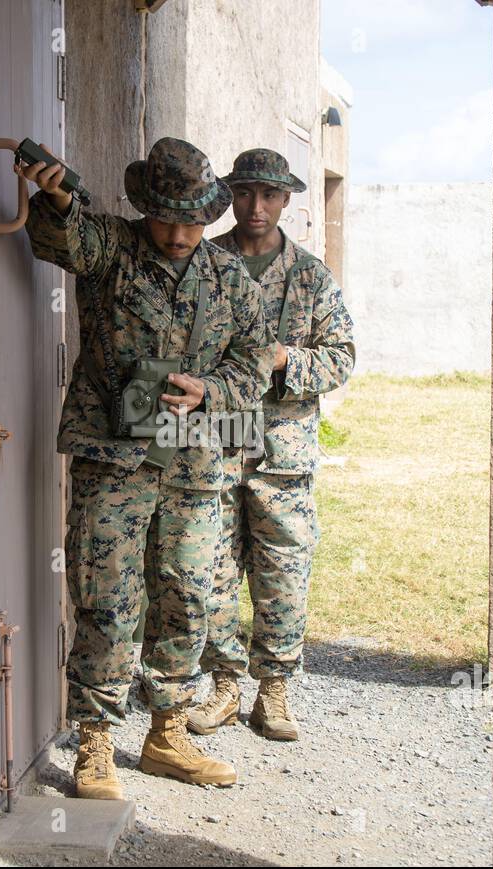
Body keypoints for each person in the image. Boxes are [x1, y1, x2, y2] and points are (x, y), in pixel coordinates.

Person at [17, 137, 273, 798]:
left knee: (186, 595)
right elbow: (63, 241)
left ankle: (168, 733)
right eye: (168, 217)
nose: (181, 233)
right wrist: (56, 198)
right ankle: (96, 742)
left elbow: (252, 361)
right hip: (115, 457)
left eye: (194, 220)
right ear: (146, 207)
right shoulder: (112, 247)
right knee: (106, 596)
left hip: (191, 460)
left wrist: (209, 391)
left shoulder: (227, 278)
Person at [189, 147, 356, 741]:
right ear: (229, 198)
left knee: (283, 569)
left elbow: (341, 358)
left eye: (268, 195)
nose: (254, 207)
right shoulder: (205, 264)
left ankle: (274, 690)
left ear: (287, 200)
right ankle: (224, 685)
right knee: (209, 567)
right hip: (214, 440)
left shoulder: (310, 277)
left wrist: (288, 360)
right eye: (243, 194)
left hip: (282, 449)